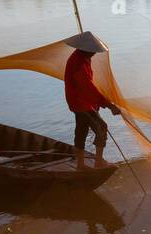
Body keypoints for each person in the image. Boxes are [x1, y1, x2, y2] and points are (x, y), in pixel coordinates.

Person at [63, 31, 120, 170]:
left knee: (81, 131)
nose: (94, 54)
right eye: (92, 51)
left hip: (81, 102)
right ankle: (98, 162)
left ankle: (80, 165)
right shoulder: (78, 64)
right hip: (81, 103)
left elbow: (88, 87)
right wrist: (108, 104)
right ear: (85, 49)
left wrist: (99, 102)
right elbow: (88, 88)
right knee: (101, 127)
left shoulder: (83, 58)